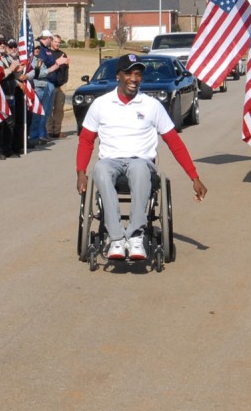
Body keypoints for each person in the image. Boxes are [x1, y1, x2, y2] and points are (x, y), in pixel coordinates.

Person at [76, 54, 209, 260]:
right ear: (118, 76)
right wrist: (81, 172)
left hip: (142, 163)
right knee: (100, 169)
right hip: (110, 162)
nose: (134, 78)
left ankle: (136, 236)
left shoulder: (152, 105)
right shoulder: (101, 104)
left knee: (138, 168)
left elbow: (174, 142)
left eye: (138, 74)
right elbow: (86, 141)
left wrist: (194, 177)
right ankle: (117, 239)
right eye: (128, 73)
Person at [47, 34, 70, 138]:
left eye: (59, 42)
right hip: (50, 85)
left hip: (61, 86)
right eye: (55, 42)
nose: (57, 44)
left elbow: (66, 69)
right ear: (51, 42)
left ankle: (57, 131)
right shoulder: (47, 53)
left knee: (59, 109)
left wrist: (65, 81)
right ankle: (48, 130)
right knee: (48, 109)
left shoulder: (63, 54)